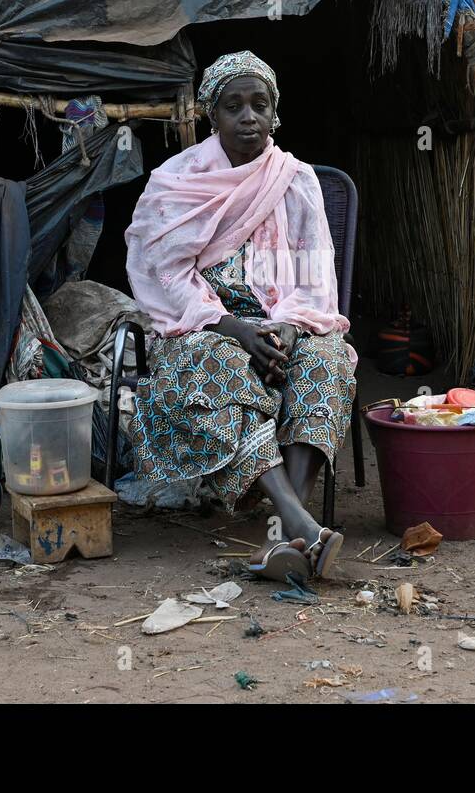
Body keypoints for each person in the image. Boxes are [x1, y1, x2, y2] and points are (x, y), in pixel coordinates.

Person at [124, 51, 355, 579]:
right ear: (213, 115)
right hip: (204, 326)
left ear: (276, 114)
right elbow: (164, 276)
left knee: (329, 358)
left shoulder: (295, 180)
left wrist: (288, 331)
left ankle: (289, 533)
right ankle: (299, 523)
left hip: (282, 324)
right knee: (217, 362)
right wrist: (234, 328)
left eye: (260, 105)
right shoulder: (175, 183)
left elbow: (317, 279)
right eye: (234, 106)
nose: (248, 117)